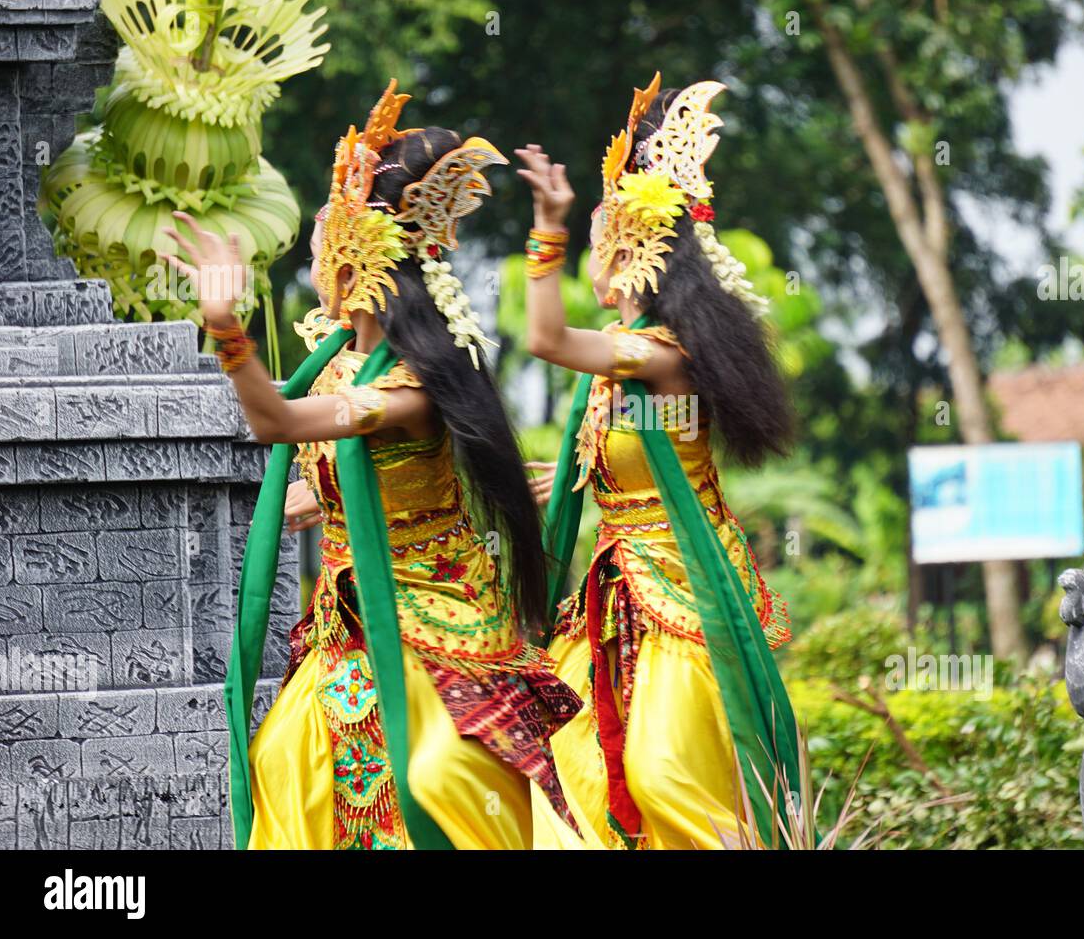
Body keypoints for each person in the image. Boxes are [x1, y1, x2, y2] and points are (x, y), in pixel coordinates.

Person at [162, 81, 580, 850]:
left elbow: (275, 422)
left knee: (429, 783)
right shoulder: (332, 365)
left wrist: (226, 328)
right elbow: (333, 472)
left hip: (434, 619)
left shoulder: (404, 389)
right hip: (348, 621)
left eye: (326, 238)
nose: (315, 252)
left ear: (356, 262)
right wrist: (302, 505)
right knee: (289, 765)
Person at [514, 74, 802, 849]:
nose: (590, 262)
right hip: (616, 595)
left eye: (603, 241)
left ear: (638, 255)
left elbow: (545, 341)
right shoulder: (627, 371)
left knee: (661, 773)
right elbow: (639, 457)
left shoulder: (659, 355)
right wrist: (572, 480)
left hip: (682, 591)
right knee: (553, 765)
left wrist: (548, 225)